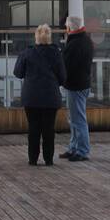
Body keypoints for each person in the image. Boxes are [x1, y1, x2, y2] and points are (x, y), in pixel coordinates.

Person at [14, 24, 67, 165]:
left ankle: (33, 159)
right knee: (49, 129)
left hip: (31, 96)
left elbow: (18, 73)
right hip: (50, 97)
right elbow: (63, 77)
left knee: (33, 128)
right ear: (49, 37)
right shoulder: (56, 53)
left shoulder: (27, 52)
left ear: (36, 37)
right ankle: (48, 159)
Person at [59, 15, 93, 162]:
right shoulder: (86, 40)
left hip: (75, 85)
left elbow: (66, 65)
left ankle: (82, 150)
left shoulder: (74, 44)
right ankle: (74, 147)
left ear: (69, 28)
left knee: (77, 119)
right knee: (74, 118)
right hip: (82, 83)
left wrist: (61, 79)